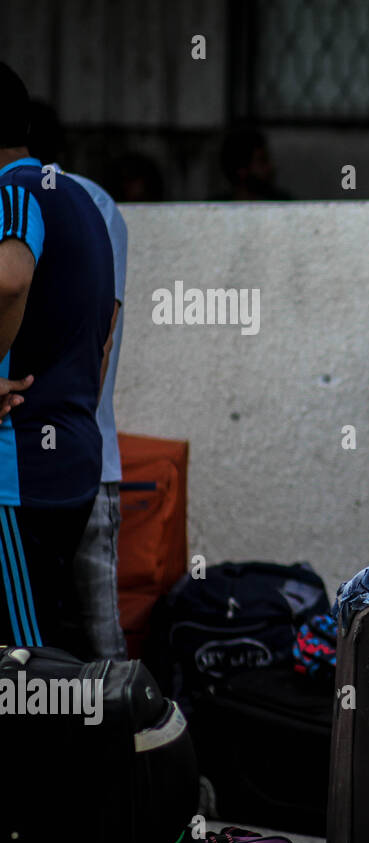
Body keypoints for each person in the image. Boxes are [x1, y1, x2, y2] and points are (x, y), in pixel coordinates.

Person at [0, 63, 115, 652]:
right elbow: (105, 335)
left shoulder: (13, 192)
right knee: (41, 646)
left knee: (20, 662)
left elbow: (10, 281)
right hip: (69, 454)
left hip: (18, 470)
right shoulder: (77, 196)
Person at [26, 101, 129, 659]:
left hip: (63, 460)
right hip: (77, 453)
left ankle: (127, 744)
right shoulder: (93, 201)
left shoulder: (82, 199)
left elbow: (100, 334)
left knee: (91, 644)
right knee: (75, 642)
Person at [212, 126, 292, 201]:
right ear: (241, 170)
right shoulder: (213, 207)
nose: (271, 167)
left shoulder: (283, 204)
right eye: (262, 161)